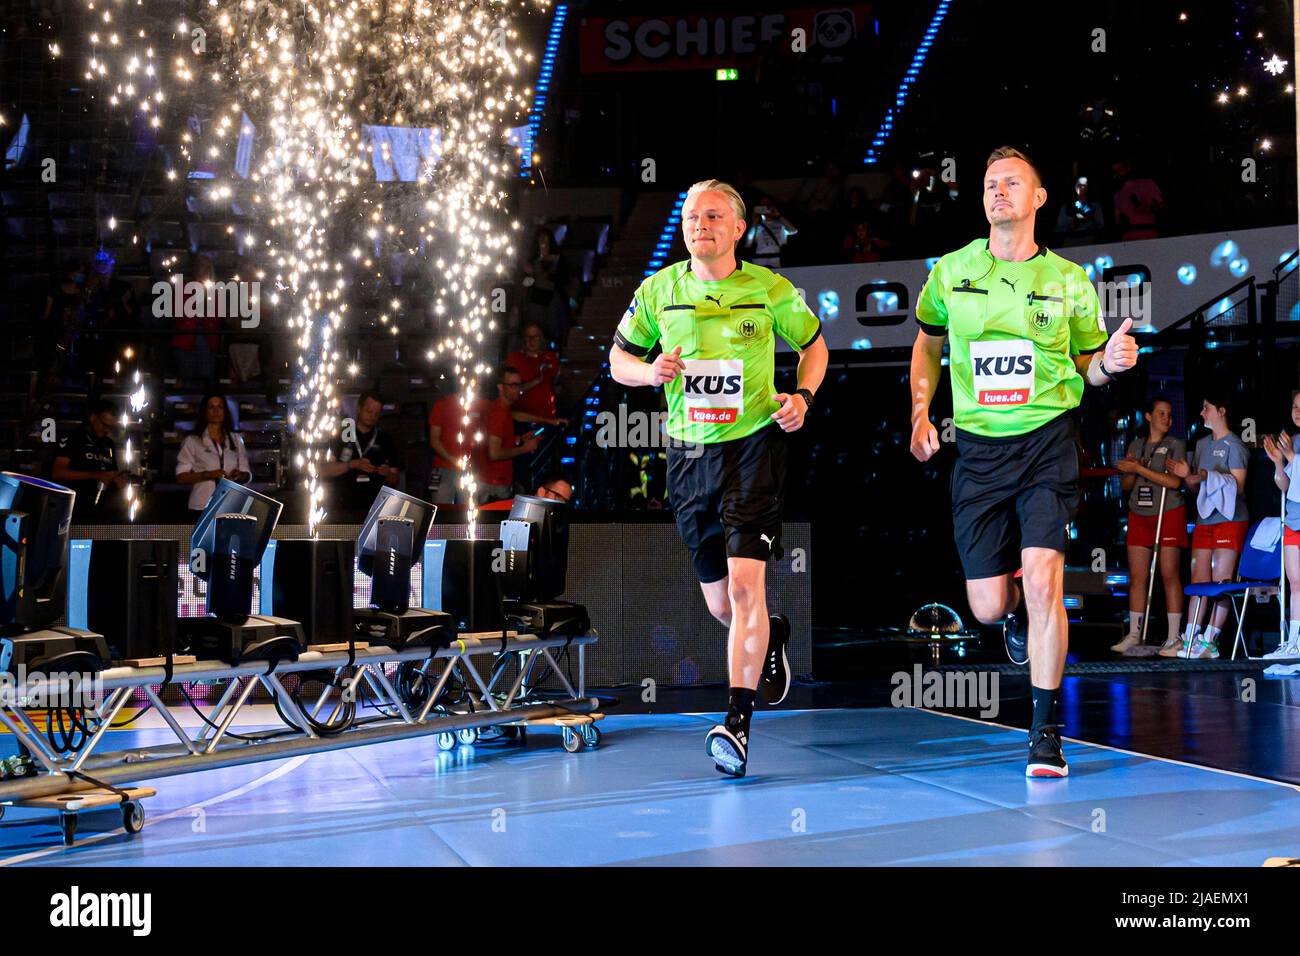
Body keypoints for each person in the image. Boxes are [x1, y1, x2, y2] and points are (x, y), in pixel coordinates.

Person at [909, 146, 1138, 778]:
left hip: (1047, 441)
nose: (998, 191)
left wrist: (1107, 366)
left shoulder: (1067, 280)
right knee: (986, 605)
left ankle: (1045, 733)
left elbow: (1091, 366)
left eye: (1012, 183)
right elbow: (926, 349)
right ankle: (1009, 616)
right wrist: (920, 413)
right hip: (979, 452)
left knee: (1044, 582)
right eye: (989, 184)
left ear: (1038, 198)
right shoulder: (950, 272)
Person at [609, 178, 829, 777]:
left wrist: (802, 397)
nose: (698, 225)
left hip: (754, 451)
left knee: (743, 590)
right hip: (687, 458)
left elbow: (815, 347)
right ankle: (773, 633)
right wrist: (649, 371)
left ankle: (736, 722)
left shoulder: (769, 290)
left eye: (712, 216)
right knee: (720, 604)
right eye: (690, 217)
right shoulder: (659, 290)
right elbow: (617, 360)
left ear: (738, 229)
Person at [1164, 396, 1249, 659]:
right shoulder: (1201, 444)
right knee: (1199, 581)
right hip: (1204, 520)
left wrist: (1207, 476)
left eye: (1207, 408)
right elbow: (1195, 486)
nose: (1202, 413)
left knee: (1220, 582)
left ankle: (1210, 641)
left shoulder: (1235, 445)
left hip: (1230, 521)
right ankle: (1189, 638)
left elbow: (1239, 488)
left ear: (1221, 411)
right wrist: (1187, 476)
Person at [1113, 396, 1187, 653]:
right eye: (1161, 413)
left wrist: (1141, 469)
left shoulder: (1175, 444)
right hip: (1139, 514)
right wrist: (1133, 470)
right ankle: (1134, 633)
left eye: (1169, 414)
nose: (1166, 419)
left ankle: (1174, 636)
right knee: (1137, 576)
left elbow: (1174, 482)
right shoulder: (1136, 444)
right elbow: (1126, 485)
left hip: (1168, 512)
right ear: (1148, 417)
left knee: (1168, 573)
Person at [321, 391, 404, 517]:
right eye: (369, 412)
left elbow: (395, 479)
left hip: (375, 507)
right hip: (343, 505)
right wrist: (353, 464)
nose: (372, 416)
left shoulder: (385, 440)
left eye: (376, 414)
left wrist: (387, 473)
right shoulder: (341, 436)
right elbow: (324, 470)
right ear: (359, 409)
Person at [1262, 391, 1300, 660]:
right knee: (1294, 583)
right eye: (1295, 407)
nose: (1297, 411)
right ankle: (1293, 640)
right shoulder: (1294, 441)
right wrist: (1279, 462)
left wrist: (1292, 457)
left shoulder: (1294, 447)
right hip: (1293, 520)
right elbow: (1287, 485)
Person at [51, 399, 126, 523]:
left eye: (111, 427)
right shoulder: (72, 438)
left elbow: (112, 471)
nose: (107, 430)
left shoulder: (109, 444)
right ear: (93, 418)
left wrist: (119, 479)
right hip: (73, 508)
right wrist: (94, 475)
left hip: (101, 510)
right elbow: (58, 472)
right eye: (104, 424)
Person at [175, 392, 251, 511]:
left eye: (220, 407)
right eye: (211, 407)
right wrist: (209, 474)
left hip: (230, 506)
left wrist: (241, 475)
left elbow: (247, 474)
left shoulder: (236, 439)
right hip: (201, 506)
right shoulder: (192, 441)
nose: (216, 411)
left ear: (225, 411)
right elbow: (181, 477)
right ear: (205, 412)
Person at [477, 366, 540, 503]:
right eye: (513, 385)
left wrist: (518, 440)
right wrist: (525, 448)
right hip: (493, 484)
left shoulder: (501, 409)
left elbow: (495, 440)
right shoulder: (499, 413)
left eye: (519, 384)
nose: (518, 389)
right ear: (500, 387)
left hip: (492, 481)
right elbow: (494, 453)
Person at [428, 381, 478, 505]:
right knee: (442, 512)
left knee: (468, 511)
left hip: (469, 470)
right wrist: (455, 460)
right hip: (442, 469)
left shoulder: (477, 407)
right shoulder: (442, 405)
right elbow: (434, 440)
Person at [506, 321, 562, 423]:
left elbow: (558, 390)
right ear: (523, 339)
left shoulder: (551, 357)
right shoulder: (515, 358)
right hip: (523, 419)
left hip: (548, 418)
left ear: (541, 338)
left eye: (535, 336)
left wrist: (558, 378)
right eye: (528, 337)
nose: (531, 340)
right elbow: (511, 391)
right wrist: (537, 380)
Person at [742, 196, 797, 268]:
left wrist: (778, 215)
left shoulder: (781, 225)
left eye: (768, 205)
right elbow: (748, 244)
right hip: (759, 259)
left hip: (776, 259)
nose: (765, 208)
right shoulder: (757, 226)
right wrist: (754, 223)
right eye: (762, 206)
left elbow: (793, 230)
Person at [1054, 176, 1105, 246]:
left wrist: (1089, 223)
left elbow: (1101, 227)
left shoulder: (1095, 207)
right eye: (1079, 185)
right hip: (1070, 244)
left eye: (1084, 185)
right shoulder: (1066, 207)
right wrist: (1070, 228)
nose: (1081, 187)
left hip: (1089, 244)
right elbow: (1059, 229)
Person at [477, 475, 574, 512]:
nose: (561, 505)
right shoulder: (507, 510)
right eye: (558, 497)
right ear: (541, 492)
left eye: (565, 501)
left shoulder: (558, 528)